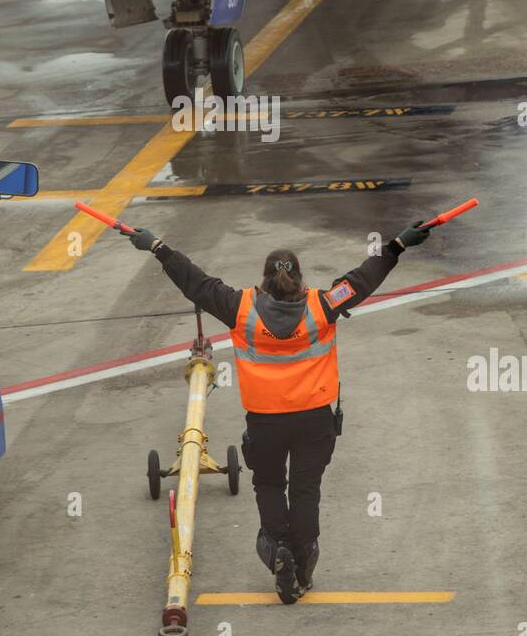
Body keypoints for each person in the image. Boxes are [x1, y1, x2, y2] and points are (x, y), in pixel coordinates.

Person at [125, 220, 432, 603]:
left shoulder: (239, 307)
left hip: (265, 421)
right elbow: (362, 280)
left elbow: (197, 284)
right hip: (314, 420)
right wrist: (398, 244)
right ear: (300, 278)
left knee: (269, 485)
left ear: (264, 279)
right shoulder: (324, 304)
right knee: (306, 490)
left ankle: (280, 549)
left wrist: (157, 247)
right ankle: (302, 568)